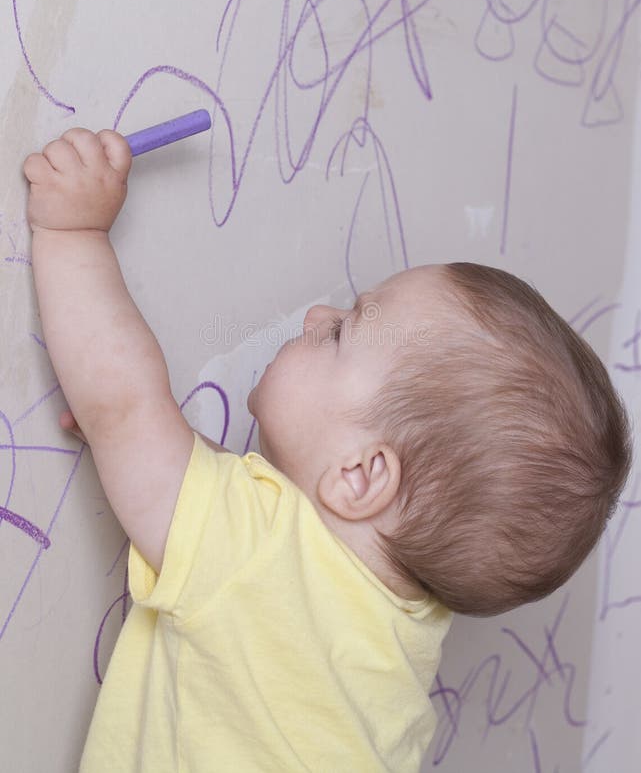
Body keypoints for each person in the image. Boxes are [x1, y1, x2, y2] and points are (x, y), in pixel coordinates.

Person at [23, 128, 632, 772]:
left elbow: (122, 403)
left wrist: (74, 234)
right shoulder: (398, 637)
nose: (316, 315)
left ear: (363, 474)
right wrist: (163, 453)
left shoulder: (255, 559)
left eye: (342, 332)